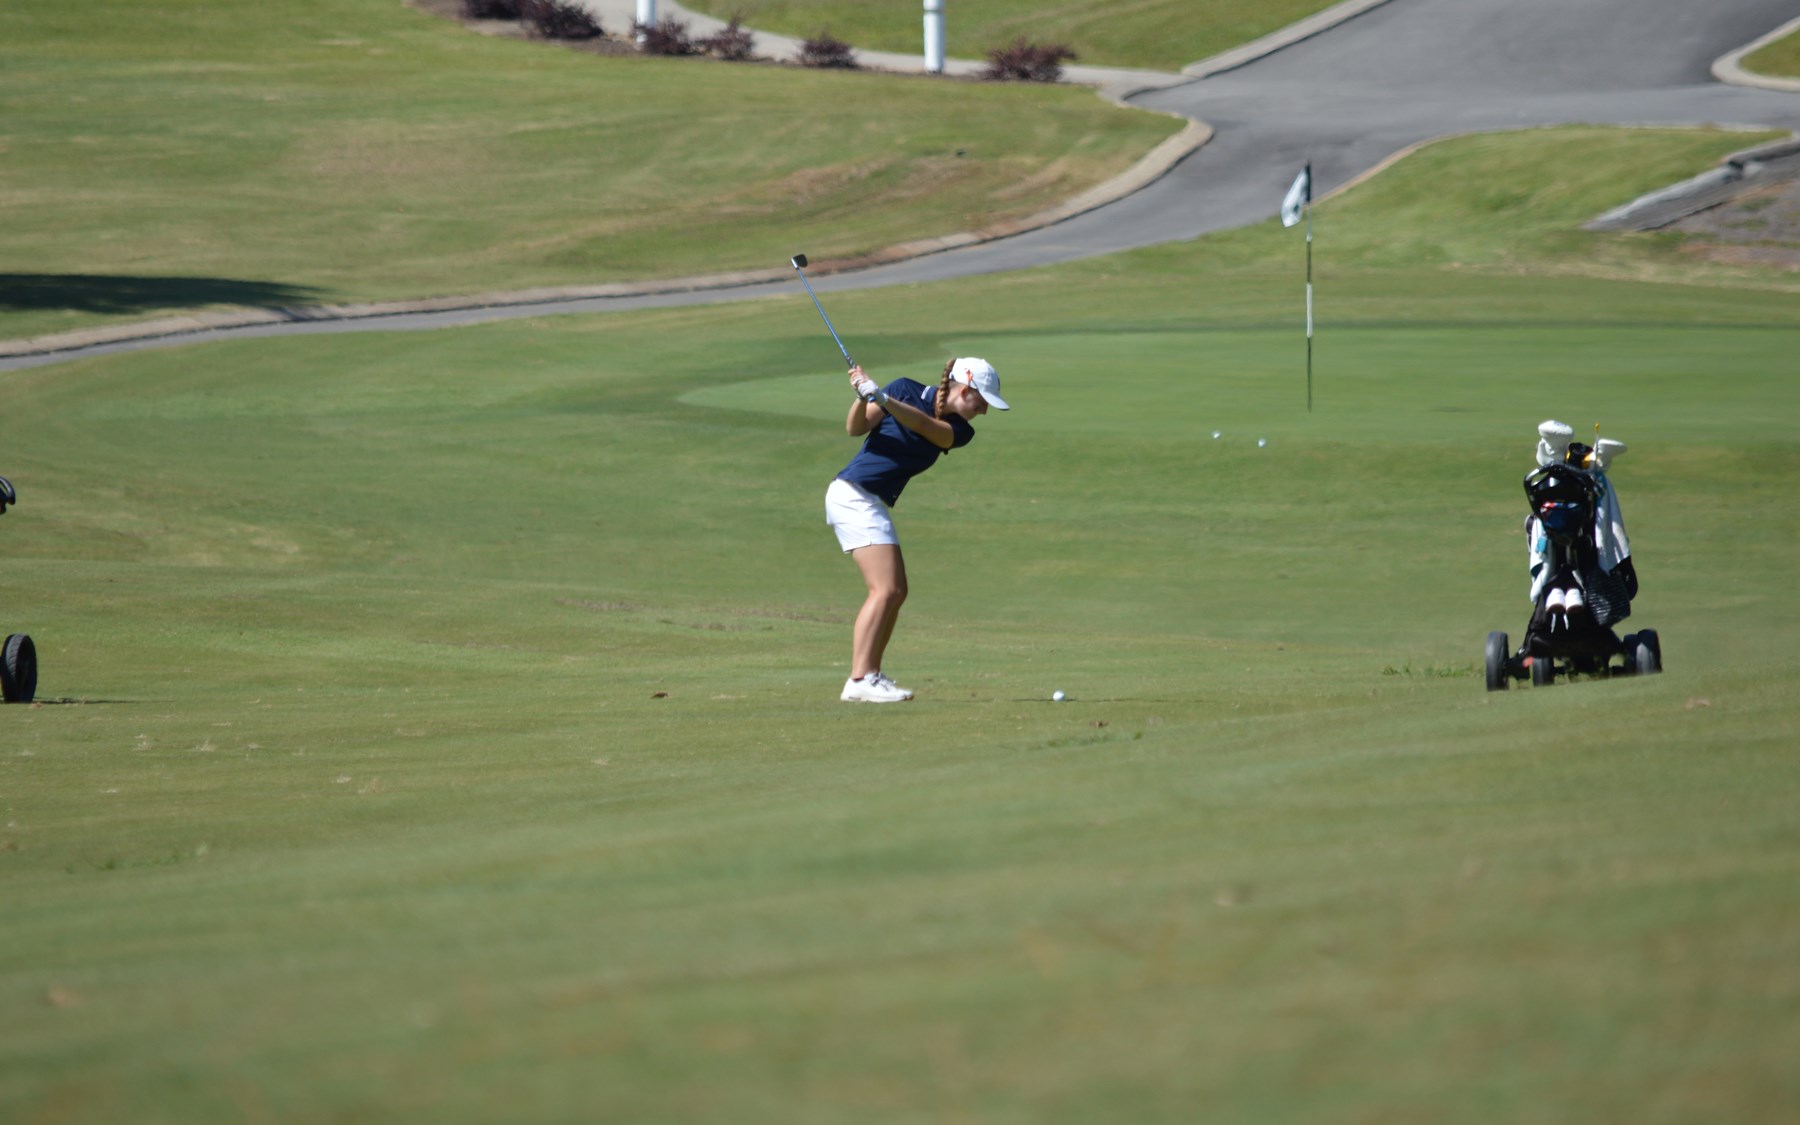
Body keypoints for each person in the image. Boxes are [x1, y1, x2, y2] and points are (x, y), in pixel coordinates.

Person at [824, 357, 1010, 702]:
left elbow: (926, 428)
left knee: (896, 591)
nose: (983, 410)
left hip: (869, 500)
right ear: (965, 389)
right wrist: (863, 395)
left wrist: (880, 397)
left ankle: (870, 675)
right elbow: (855, 428)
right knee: (885, 589)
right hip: (853, 495)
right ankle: (860, 679)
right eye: (982, 401)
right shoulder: (902, 389)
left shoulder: (961, 431)